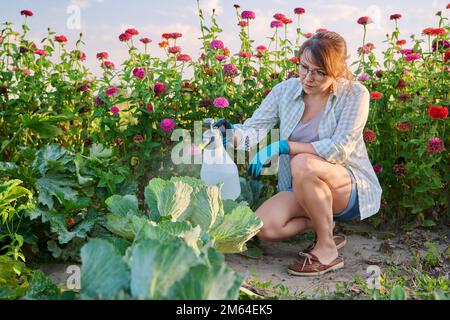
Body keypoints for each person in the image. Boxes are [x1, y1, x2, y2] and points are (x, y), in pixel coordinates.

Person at [212, 31, 382, 276]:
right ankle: (323, 224)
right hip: (304, 188)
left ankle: (327, 249)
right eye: (304, 67)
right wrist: (230, 133)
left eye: (319, 72)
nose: (308, 78)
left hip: (348, 188)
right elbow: (254, 129)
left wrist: (285, 147)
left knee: (303, 163)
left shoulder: (354, 94)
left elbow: (340, 147)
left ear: (338, 71)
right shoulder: (285, 91)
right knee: (265, 227)